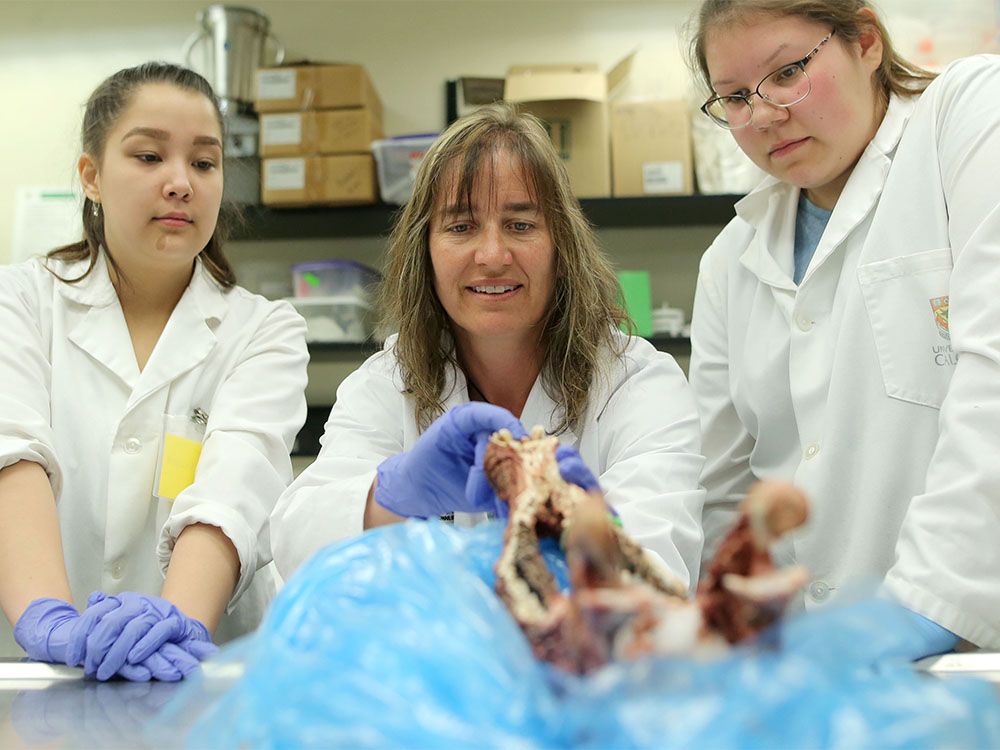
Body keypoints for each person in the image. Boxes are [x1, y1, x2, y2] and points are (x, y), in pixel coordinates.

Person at [271, 103, 705, 588]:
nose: (493, 256)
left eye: (521, 225)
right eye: (460, 227)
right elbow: (296, 540)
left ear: (562, 247)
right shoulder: (387, 383)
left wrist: (572, 527)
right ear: (425, 251)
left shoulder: (637, 384)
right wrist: (391, 498)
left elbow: (656, 573)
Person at [686, 0, 1000, 657]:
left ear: (865, 42)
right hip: (812, 670)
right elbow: (723, 493)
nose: (764, 114)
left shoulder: (969, 115)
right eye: (735, 96)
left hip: (974, 654)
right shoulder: (729, 261)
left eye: (787, 72)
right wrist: (729, 636)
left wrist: (924, 605)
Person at [0, 62, 309, 680]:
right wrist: (47, 616)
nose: (181, 183)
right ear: (91, 176)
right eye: (148, 156)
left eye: (204, 163)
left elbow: (234, 485)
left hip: (202, 676)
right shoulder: (21, 302)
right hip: (36, 675)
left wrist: (174, 624)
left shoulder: (264, 330)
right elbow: (12, 450)